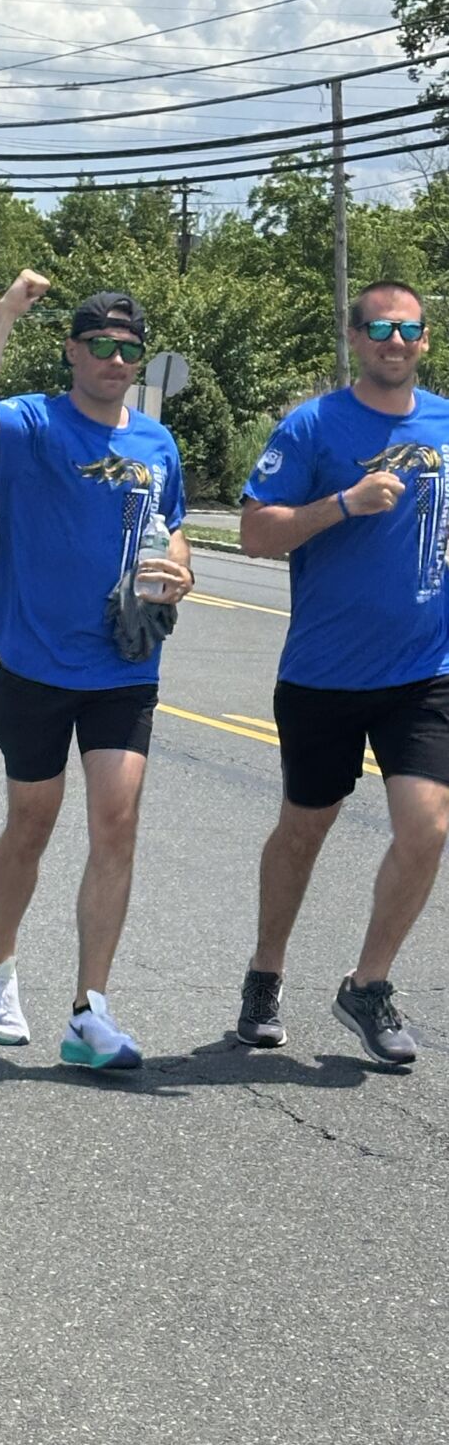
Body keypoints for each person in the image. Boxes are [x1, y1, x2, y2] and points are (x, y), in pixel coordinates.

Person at [0, 274, 192, 1071]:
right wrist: (2, 314)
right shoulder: (34, 425)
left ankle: (90, 1008)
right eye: (100, 345)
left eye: (129, 348)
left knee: (115, 821)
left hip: (122, 664)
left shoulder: (154, 442)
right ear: (72, 351)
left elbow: (173, 529)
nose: (116, 359)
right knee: (32, 823)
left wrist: (176, 570)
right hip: (34, 661)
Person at [236, 281, 449, 1067]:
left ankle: (368, 983)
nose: (395, 341)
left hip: (424, 671)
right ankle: (264, 973)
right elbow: (256, 532)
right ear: (355, 338)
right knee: (303, 828)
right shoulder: (312, 425)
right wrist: (344, 504)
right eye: (381, 328)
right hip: (324, 674)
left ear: (424, 340)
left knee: (426, 826)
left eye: (409, 329)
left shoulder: (445, 423)